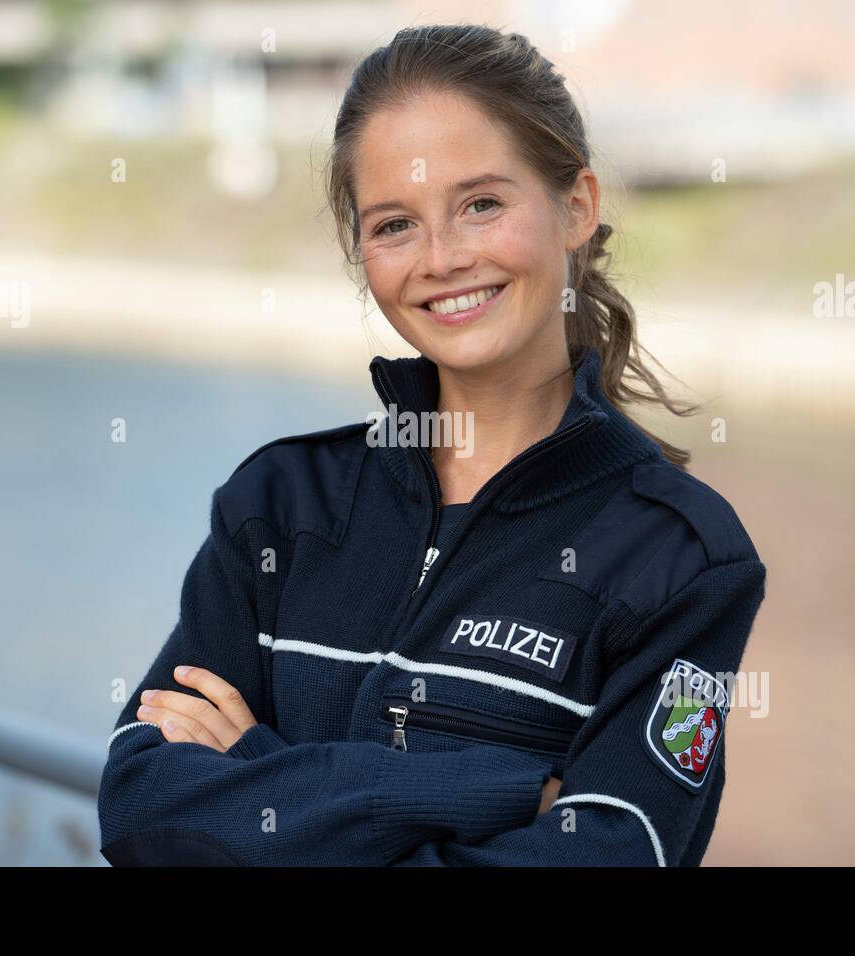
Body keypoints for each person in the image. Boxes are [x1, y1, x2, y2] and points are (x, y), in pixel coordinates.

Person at [97, 23, 767, 867]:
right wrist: (498, 792)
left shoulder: (683, 556)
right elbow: (139, 809)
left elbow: (606, 854)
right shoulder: (276, 505)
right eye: (394, 225)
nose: (443, 258)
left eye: (481, 204)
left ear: (577, 207)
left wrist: (259, 773)